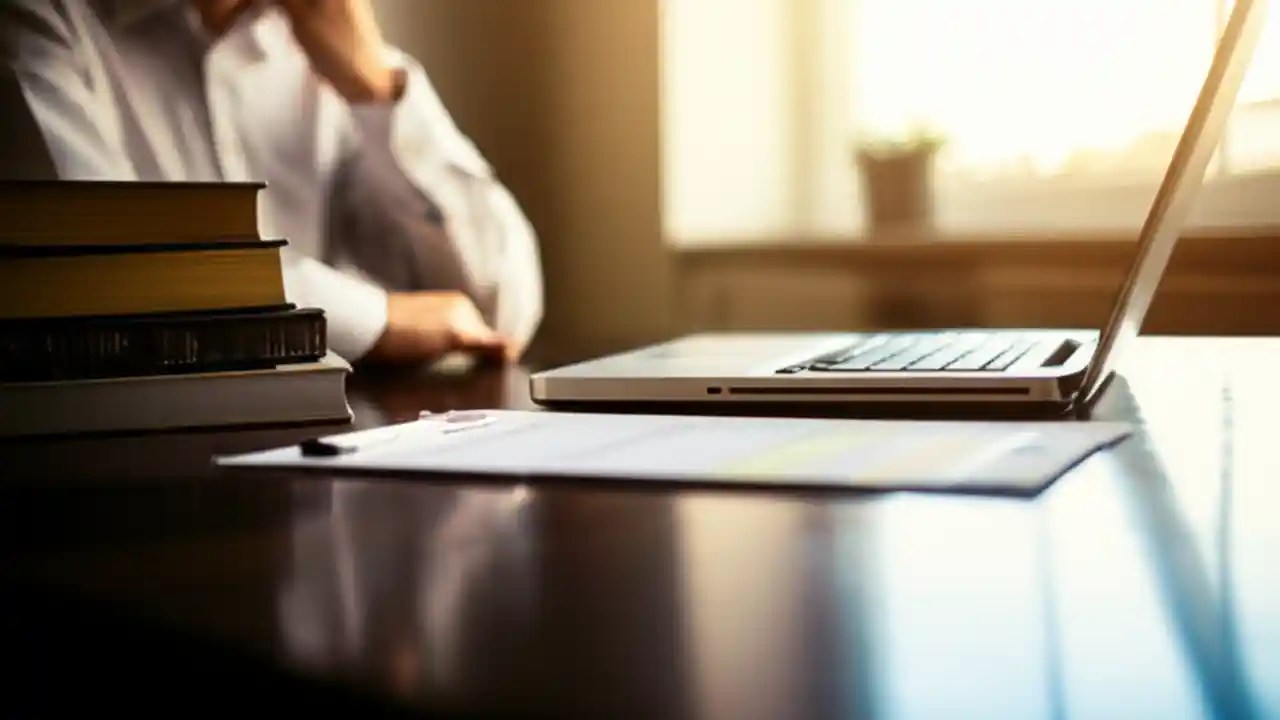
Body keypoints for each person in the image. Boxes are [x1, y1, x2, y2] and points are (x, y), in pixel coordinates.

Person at [0, 0, 543, 364]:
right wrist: (377, 320)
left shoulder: (319, 44)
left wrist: (374, 87)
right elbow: (95, 271)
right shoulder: (39, 22)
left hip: (319, 460)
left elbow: (498, 307)